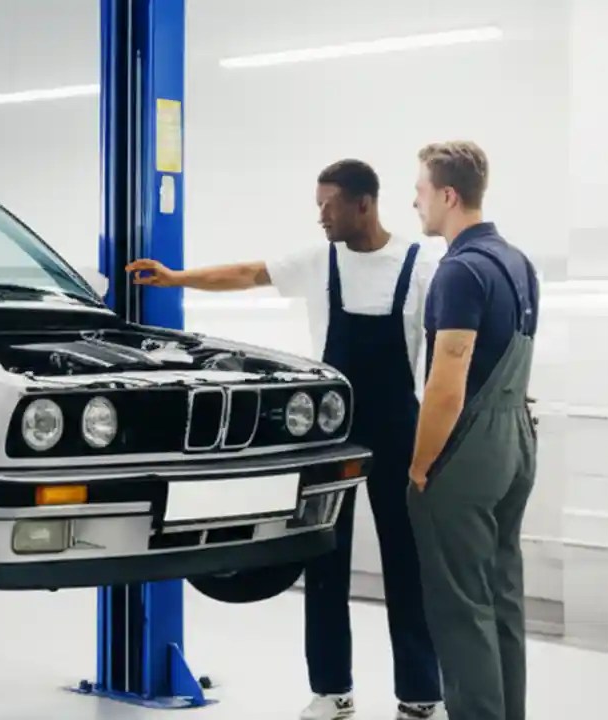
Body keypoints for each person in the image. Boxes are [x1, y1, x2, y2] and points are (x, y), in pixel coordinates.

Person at [127, 159, 446, 720]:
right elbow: (249, 273)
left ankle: (421, 695)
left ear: (364, 204)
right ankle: (332, 691)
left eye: (329, 204)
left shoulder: (420, 265)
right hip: (332, 430)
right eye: (318, 204)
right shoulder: (318, 260)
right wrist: (176, 277)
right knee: (325, 557)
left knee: (407, 561)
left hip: (399, 428)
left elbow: (448, 351)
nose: (320, 216)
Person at [406, 140, 539, 720]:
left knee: (461, 610)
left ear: (448, 195)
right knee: (502, 597)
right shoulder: (518, 262)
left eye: (420, 192)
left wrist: (419, 465)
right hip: (517, 442)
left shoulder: (458, 272)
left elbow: (447, 382)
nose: (416, 203)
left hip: (469, 451)